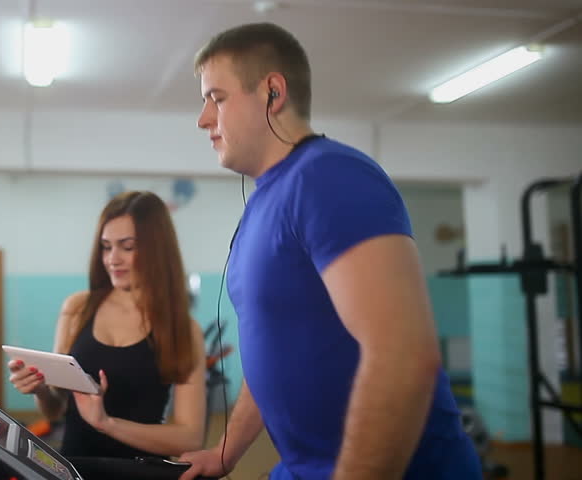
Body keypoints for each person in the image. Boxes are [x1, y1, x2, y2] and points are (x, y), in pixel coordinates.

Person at [178, 23, 482, 480]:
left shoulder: (327, 176)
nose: (203, 118)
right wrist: (225, 451)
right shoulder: (261, 204)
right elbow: (274, 354)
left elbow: (402, 357)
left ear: (272, 93)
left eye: (216, 99)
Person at [9, 190, 207, 460]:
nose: (113, 259)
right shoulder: (77, 308)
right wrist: (40, 389)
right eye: (106, 246)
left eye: (127, 247)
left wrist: (107, 424)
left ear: (157, 249)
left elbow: (190, 438)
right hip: (77, 467)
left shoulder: (183, 329)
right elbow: (55, 410)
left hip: (140, 472)